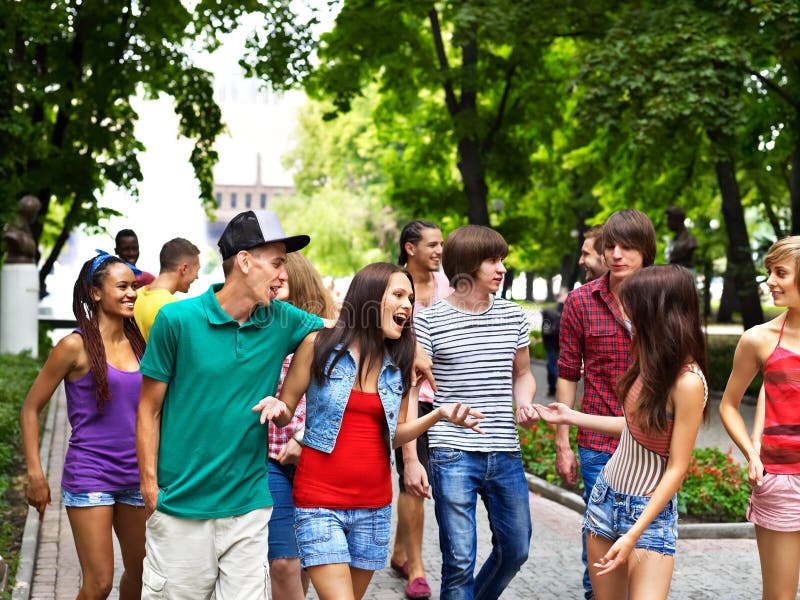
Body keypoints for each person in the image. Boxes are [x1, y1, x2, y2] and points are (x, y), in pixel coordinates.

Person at [252, 262, 483, 600]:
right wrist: (278, 407)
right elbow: (287, 409)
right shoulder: (318, 346)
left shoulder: (400, 360)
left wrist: (438, 415)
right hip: (319, 503)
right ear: (371, 299)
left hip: (374, 508)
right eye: (399, 295)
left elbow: (396, 434)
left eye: (410, 298)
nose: (407, 305)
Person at [136, 210, 324, 600]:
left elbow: (331, 335)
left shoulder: (280, 319)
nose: (283, 275)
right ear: (244, 261)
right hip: (181, 507)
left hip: (248, 507)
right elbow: (148, 409)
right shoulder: (177, 320)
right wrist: (151, 487)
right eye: (276, 263)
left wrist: (287, 401)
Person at [535, 264, 708, 600]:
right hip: (606, 497)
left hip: (648, 514)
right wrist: (569, 416)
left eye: (632, 306)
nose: (625, 312)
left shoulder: (687, 381)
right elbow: (633, 429)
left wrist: (632, 535)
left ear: (657, 310)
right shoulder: (647, 358)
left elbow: (677, 468)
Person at [415, 224, 538, 600]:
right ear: (467, 266)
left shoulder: (514, 316)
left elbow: (523, 374)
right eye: (492, 260)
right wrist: (409, 457)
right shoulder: (429, 320)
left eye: (502, 260)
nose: (501, 268)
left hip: (505, 450)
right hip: (451, 450)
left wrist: (524, 402)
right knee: (459, 561)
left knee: (516, 549)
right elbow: (412, 386)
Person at [21, 251, 147, 599]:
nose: (131, 293)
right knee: (100, 582)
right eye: (121, 286)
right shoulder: (73, 346)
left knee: (141, 573)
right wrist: (36, 474)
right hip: (91, 473)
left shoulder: (140, 345)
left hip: (136, 477)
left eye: (133, 287)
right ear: (95, 293)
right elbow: (30, 409)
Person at [555, 208, 656, 600]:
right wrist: (562, 443)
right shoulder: (581, 301)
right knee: (600, 554)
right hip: (599, 446)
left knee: (647, 549)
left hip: (652, 447)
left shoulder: (661, 298)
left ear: (645, 250)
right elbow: (567, 373)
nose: (616, 254)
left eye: (627, 247)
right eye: (610, 246)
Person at [719, 236, 800, 600]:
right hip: (781, 482)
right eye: (769, 272)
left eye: (780, 272)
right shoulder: (759, 339)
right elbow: (729, 404)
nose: (769, 280)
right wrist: (753, 453)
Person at [267, 252, 337, 600]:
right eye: (273, 270)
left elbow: (340, 399)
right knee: (283, 563)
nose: (277, 277)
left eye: (284, 272)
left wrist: (303, 436)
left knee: (309, 562)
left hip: (317, 459)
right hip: (269, 460)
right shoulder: (261, 325)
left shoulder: (326, 334)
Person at [390, 219, 451, 600]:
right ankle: (416, 567)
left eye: (441, 244)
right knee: (413, 477)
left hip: (447, 396)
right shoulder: (394, 285)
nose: (439, 251)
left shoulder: (450, 286)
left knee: (427, 477)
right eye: (432, 244)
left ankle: (399, 552)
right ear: (410, 248)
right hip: (405, 395)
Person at [133, 237, 201, 341]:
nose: (197, 277)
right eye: (197, 270)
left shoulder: (135, 296)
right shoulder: (174, 308)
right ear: (184, 268)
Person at [541, 289, 567, 397]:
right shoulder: (553, 310)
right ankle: (554, 388)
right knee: (551, 366)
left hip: (558, 344)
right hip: (553, 343)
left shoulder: (568, 309)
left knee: (551, 365)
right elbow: (546, 327)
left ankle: (554, 388)